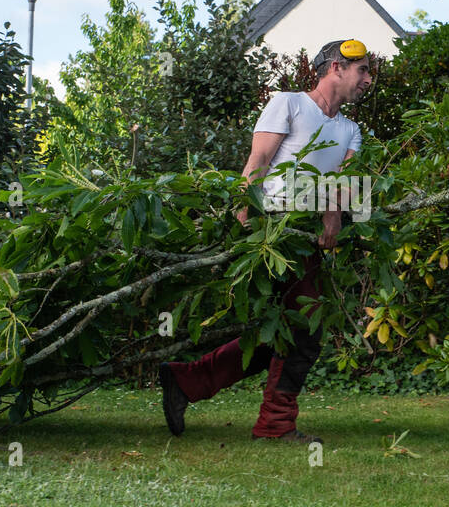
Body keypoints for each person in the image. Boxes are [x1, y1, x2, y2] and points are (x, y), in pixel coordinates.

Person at [160, 38, 374, 443]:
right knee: (304, 326)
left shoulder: (351, 129)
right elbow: (257, 162)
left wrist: (333, 211)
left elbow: (347, 182)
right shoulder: (289, 104)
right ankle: (274, 424)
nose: (368, 79)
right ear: (335, 68)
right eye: (362, 69)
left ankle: (187, 380)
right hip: (270, 230)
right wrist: (244, 216)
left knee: (283, 329)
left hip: (305, 237)